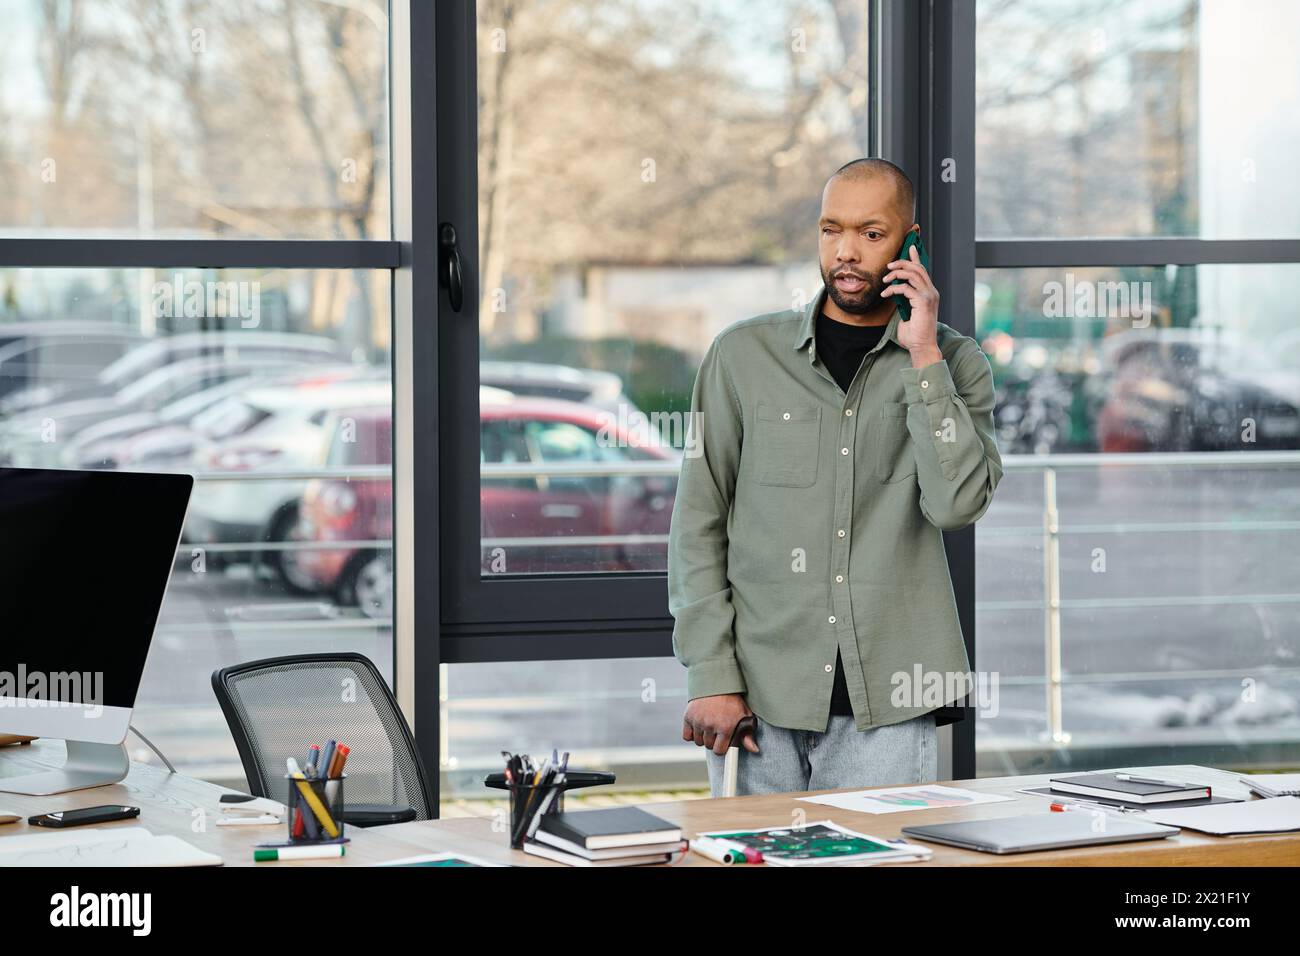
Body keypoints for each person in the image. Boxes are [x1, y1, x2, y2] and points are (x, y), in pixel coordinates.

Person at [667, 158, 1002, 796]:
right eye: (831, 230)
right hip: (758, 693)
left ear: (910, 241)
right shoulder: (742, 357)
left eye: (871, 234)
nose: (846, 252)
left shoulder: (956, 363)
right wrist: (711, 674)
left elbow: (957, 504)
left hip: (891, 694)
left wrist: (923, 356)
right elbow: (698, 521)